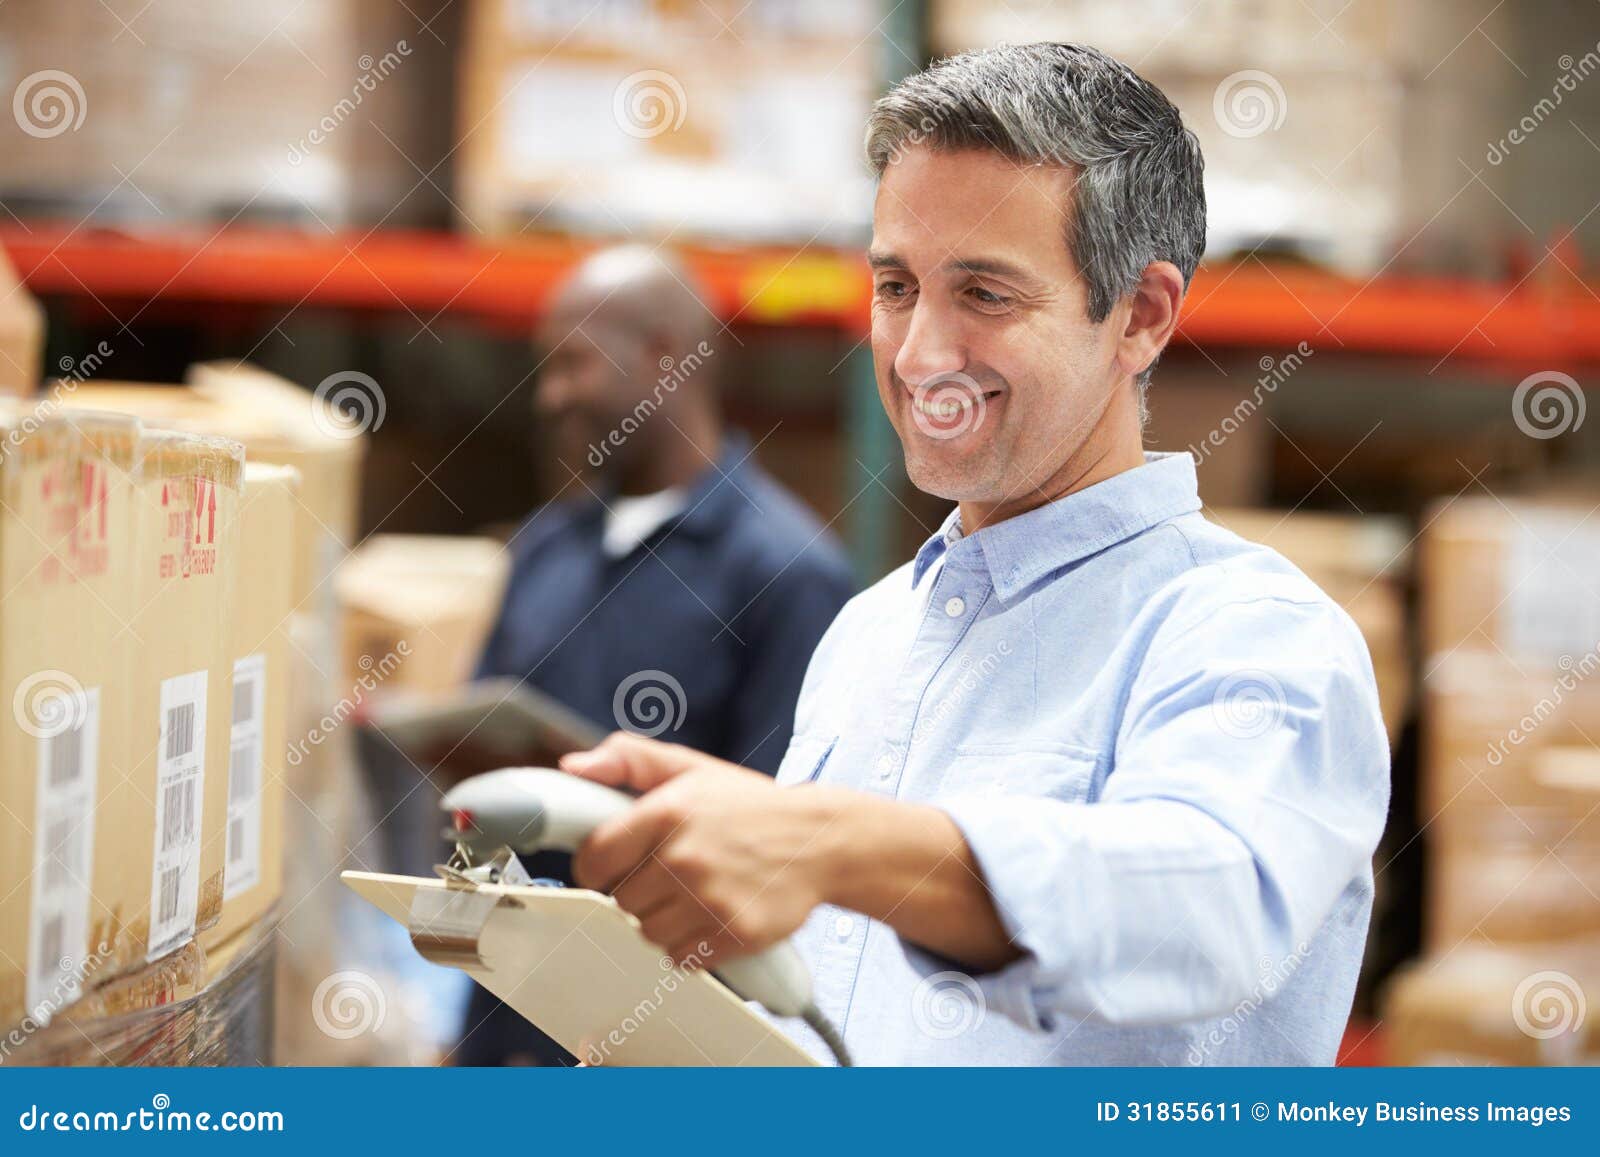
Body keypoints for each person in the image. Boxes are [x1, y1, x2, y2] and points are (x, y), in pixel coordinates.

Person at [553, 44, 1390, 1066]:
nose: (917, 356)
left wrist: (823, 842)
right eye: (896, 285)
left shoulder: (1253, 636)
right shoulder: (867, 636)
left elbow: (1210, 899)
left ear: (1140, 315)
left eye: (986, 295)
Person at [449, 244, 855, 1064]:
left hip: (657, 1037)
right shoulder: (544, 549)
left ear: (662, 358)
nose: (552, 397)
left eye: (573, 365)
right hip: (503, 1016)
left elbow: (775, 838)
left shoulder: (785, 575)